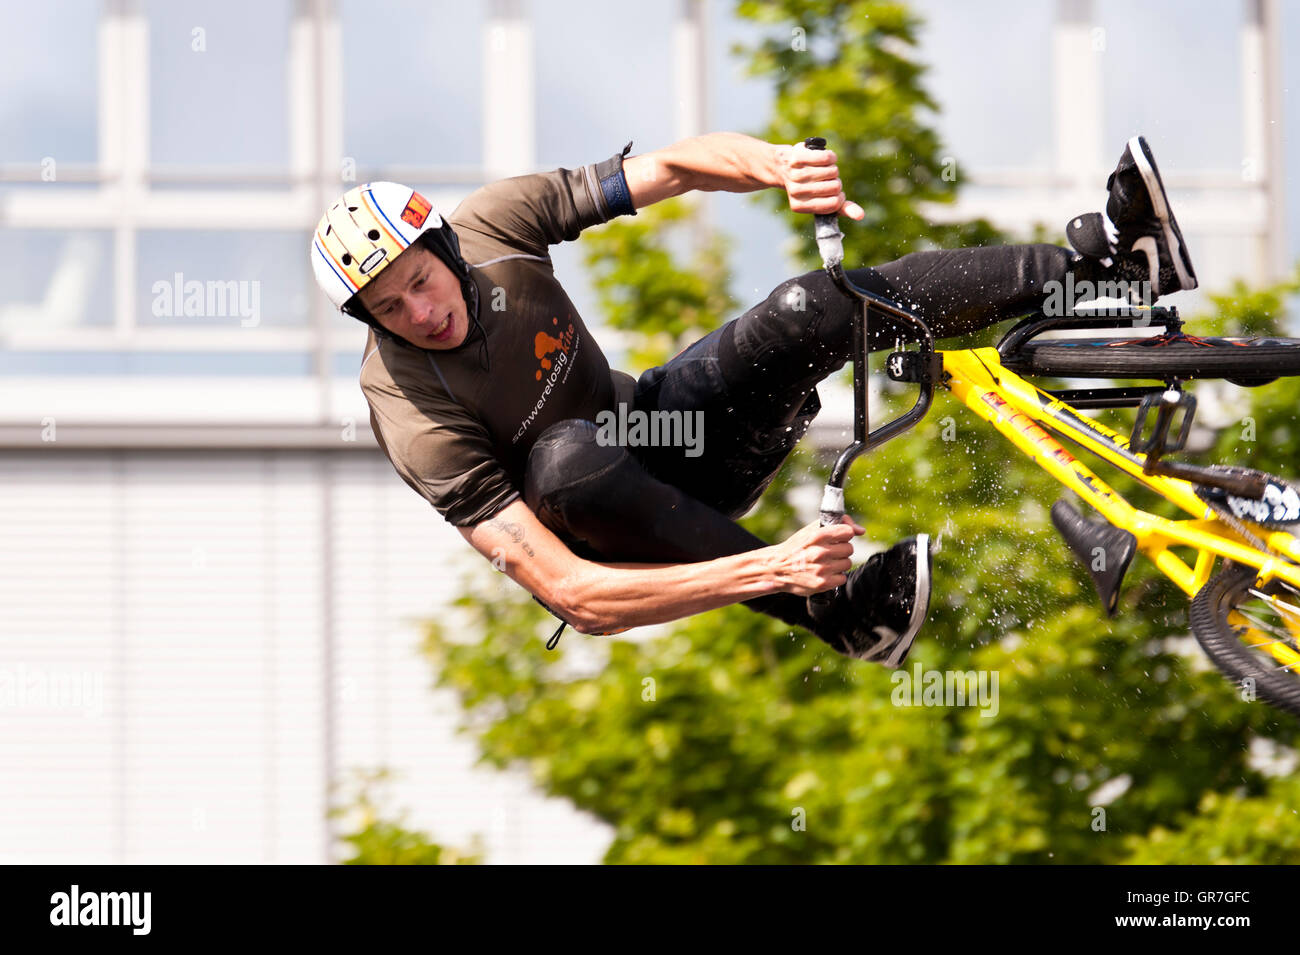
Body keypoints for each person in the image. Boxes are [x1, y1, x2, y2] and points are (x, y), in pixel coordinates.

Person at [310, 132, 1196, 666]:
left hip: (672, 431)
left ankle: (1105, 266)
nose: (420, 314)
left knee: (807, 306)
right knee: (565, 462)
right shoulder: (408, 406)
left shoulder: (494, 224)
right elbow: (575, 594)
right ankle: (839, 617)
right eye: (390, 311)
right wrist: (774, 568)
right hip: (616, 534)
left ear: (446, 248)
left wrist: (775, 166)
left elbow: (671, 167)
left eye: (422, 283)